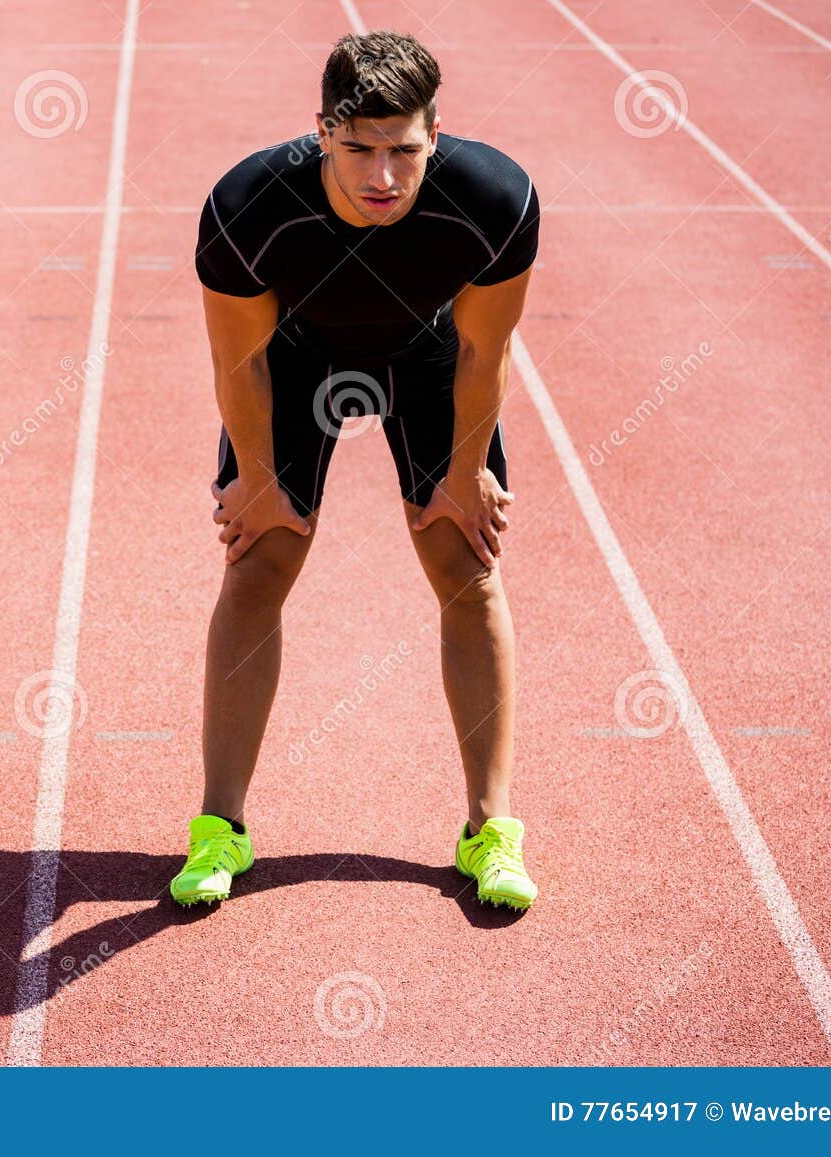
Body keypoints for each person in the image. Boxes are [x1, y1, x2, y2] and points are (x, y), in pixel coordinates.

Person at [170, 30, 541, 911]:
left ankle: (490, 829)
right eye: (359, 149)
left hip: (429, 354)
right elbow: (240, 361)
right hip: (296, 355)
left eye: (403, 150)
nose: (382, 176)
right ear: (322, 133)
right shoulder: (249, 207)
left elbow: (486, 350)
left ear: (435, 135)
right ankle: (220, 827)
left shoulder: (495, 200)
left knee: (467, 566)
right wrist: (255, 480)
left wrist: (463, 472)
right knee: (257, 563)